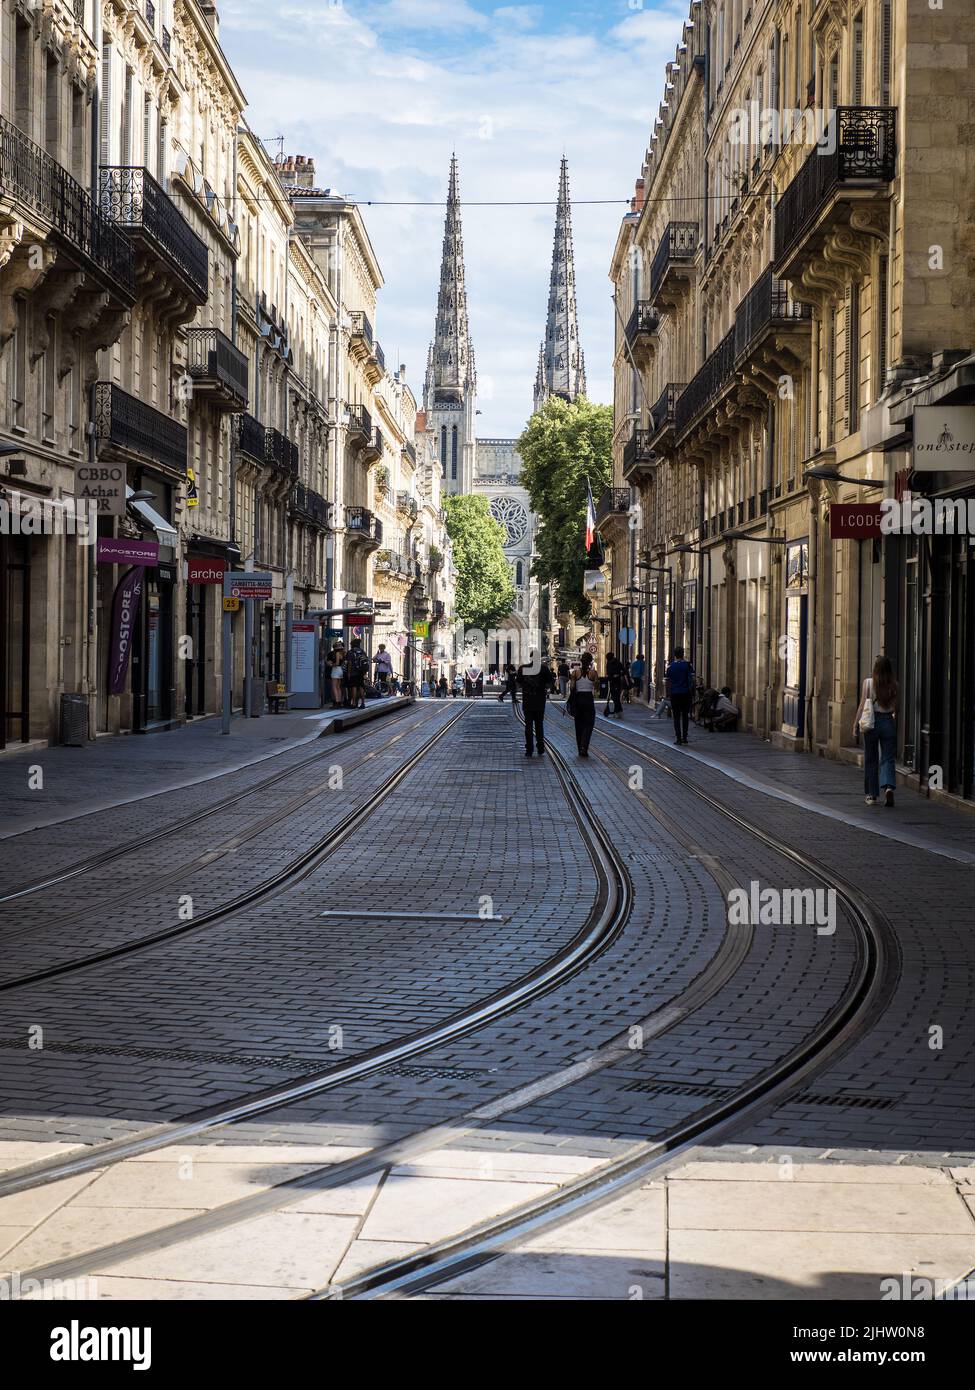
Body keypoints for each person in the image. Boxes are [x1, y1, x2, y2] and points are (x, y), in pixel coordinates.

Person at [854, 654, 898, 807]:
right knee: (888, 758)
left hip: (871, 722)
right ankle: (888, 787)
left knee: (871, 758)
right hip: (888, 721)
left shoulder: (868, 683)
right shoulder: (894, 685)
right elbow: (896, 709)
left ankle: (872, 795)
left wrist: (855, 725)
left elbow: (861, 706)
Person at [517, 652, 554, 757]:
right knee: (539, 725)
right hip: (539, 701)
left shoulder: (523, 669)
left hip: (528, 701)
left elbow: (518, 683)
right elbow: (550, 682)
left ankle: (529, 749)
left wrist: (526, 685)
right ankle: (540, 747)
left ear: (531, 657)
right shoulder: (544, 669)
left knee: (528, 726)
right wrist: (544, 688)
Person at [569, 653, 598, 757]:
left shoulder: (575, 673)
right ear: (590, 661)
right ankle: (584, 747)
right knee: (589, 724)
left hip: (578, 699)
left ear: (581, 661)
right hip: (588, 700)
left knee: (578, 725)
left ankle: (579, 747)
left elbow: (572, 688)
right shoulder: (594, 673)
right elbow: (597, 688)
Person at [665, 646, 695, 745]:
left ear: (675, 655)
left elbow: (668, 681)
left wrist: (668, 694)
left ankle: (678, 738)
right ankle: (685, 738)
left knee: (676, 717)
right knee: (685, 716)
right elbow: (692, 679)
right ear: (683, 654)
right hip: (685, 693)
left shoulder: (670, 666)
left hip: (674, 694)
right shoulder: (687, 665)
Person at [343, 639, 369, 710]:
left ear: (352, 644)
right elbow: (365, 662)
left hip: (353, 672)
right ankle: (363, 703)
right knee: (361, 687)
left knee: (354, 687)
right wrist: (365, 673)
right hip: (361, 672)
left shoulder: (351, 652)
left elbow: (350, 663)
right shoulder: (362, 651)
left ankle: (354, 703)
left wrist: (348, 672)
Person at [606, 653, 625, 717]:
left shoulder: (617, 663)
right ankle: (618, 711)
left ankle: (617, 711)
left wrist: (618, 675)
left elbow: (624, 671)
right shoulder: (609, 663)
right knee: (614, 697)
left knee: (616, 697)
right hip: (611, 682)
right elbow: (608, 672)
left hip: (616, 682)